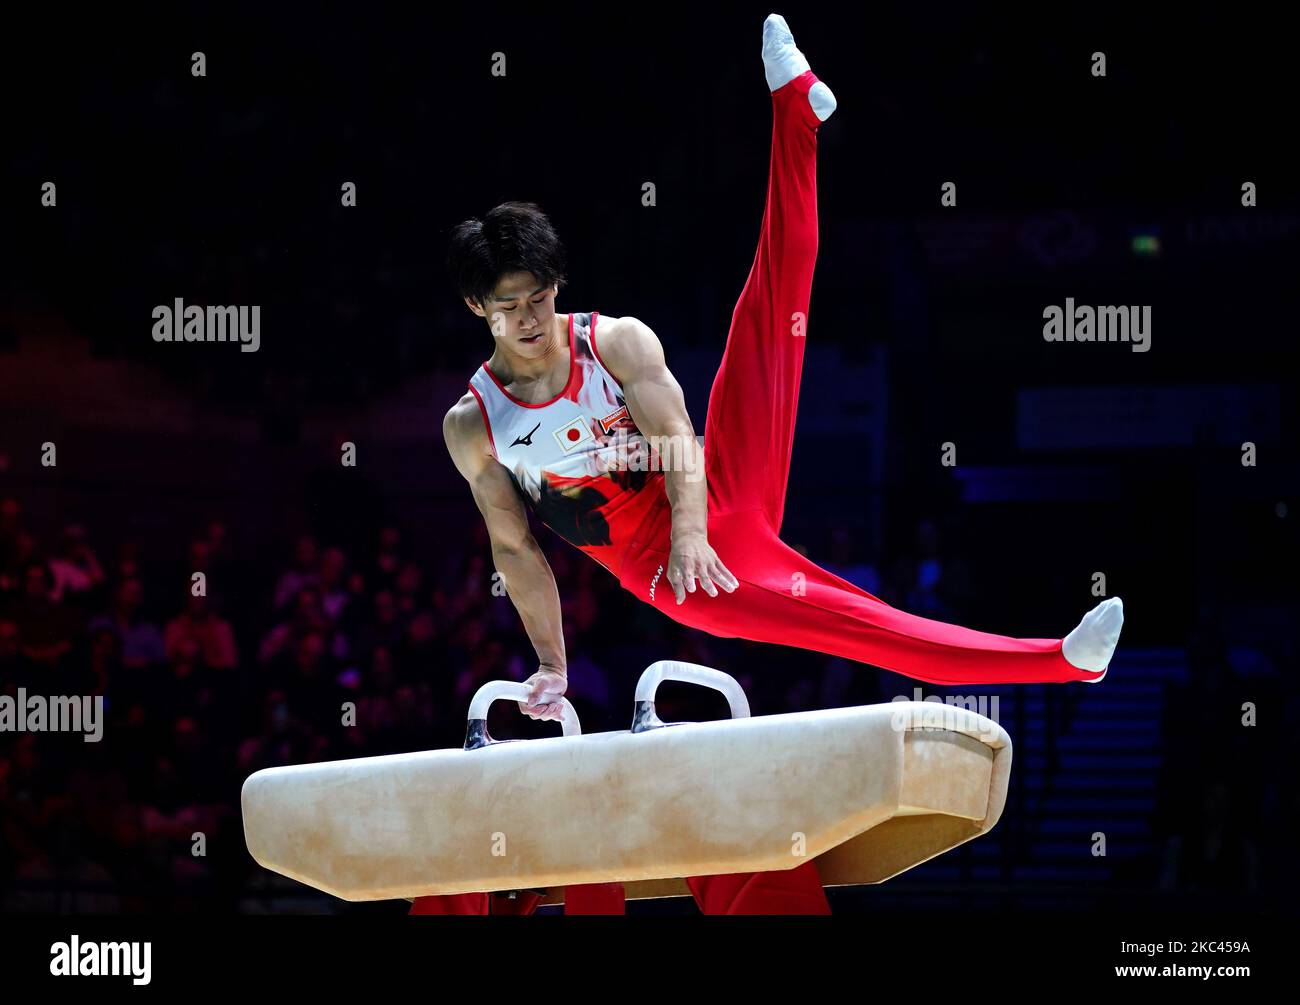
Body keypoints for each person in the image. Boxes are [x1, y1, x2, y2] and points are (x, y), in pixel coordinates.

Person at [437, 13, 1123, 914]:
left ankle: (795, 110)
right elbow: (516, 551)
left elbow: (681, 435)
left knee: (772, 307)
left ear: (557, 287)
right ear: (476, 309)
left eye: (536, 298)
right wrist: (554, 665)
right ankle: (1061, 664)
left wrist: (693, 530)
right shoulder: (475, 425)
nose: (525, 319)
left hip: (707, 508)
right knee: (859, 621)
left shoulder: (618, 344)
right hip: (670, 574)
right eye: (503, 307)